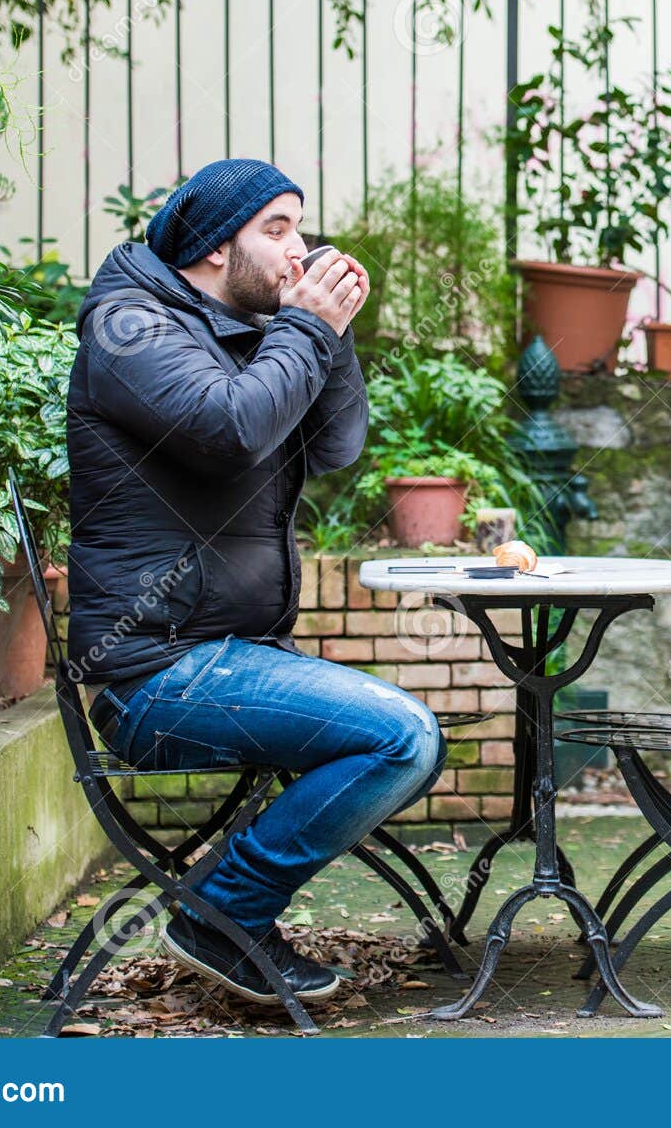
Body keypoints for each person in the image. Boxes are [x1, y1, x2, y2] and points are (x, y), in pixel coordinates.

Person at [66, 158, 444, 1004]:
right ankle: (221, 912)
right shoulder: (130, 328)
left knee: (403, 735)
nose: (297, 248)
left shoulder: (246, 331)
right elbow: (230, 428)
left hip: (225, 656)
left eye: (298, 227)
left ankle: (228, 910)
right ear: (210, 250)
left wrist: (328, 330)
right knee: (401, 737)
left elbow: (339, 446)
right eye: (275, 229)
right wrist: (304, 329)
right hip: (152, 678)